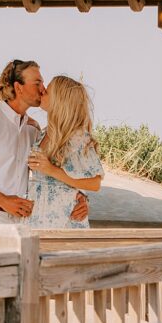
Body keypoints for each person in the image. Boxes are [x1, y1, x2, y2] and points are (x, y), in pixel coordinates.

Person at [0, 59, 89, 229]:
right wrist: (3, 201)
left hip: (18, 223)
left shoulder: (33, 131)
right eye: (37, 83)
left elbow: (51, 171)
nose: (43, 89)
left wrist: (80, 196)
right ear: (19, 87)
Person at [25, 76, 103, 229]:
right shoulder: (43, 133)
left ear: (59, 100)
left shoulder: (78, 137)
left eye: (47, 91)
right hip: (38, 218)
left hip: (65, 221)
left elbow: (95, 183)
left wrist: (51, 170)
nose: (42, 92)